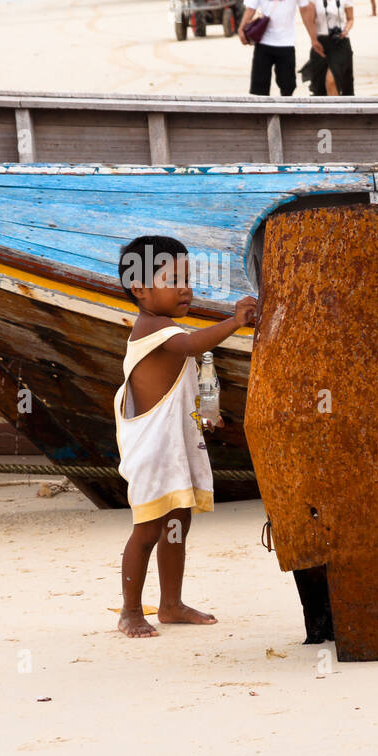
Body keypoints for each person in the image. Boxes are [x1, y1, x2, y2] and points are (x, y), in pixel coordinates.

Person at [114, 234, 256, 638]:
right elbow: (193, 344)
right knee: (147, 531)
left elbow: (188, 378)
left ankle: (171, 604)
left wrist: (207, 413)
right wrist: (235, 321)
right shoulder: (151, 330)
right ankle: (130, 611)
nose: (185, 288)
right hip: (154, 452)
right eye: (173, 279)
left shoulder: (168, 329)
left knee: (178, 523)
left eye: (188, 279)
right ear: (140, 288)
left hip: (177, 445)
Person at [238, 0, 314, 96]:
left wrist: (314, 38)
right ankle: (260, 119)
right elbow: (251, 8)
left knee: (288, 85)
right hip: (264, 41)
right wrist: (241, 28)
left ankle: (285, 118)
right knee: (259, 88)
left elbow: (304, 10)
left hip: (286, 41)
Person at [303, 0, 355, 97]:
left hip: (340, 42)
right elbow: (310, 20)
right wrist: (313, 39)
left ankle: (338, 116)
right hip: (321, 43)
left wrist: (346, 30)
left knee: (332, 81)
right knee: (320, 85)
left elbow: (350, 19)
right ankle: (330, 115)